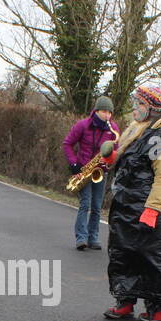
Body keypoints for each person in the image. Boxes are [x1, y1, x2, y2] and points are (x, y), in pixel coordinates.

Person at [102, 84, 161, 321]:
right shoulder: (136, 131)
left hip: (150, 208)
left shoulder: (159, 137)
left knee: (155, 259)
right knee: (123, 254)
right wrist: (112, 158)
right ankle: (125, 301)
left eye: (139, 104)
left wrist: (152, 209)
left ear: (151, 109)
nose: (134, 108)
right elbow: (129, 165)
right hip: (127, 206)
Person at [63, 96, 120, 251]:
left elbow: (115, 150)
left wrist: (109, 162)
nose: (107, 115)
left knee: (96, 206)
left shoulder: (112, 129)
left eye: (109, 112)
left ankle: (93, 237)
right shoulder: (83, 125)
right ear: (96, 111)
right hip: (83, 169)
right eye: (104, 111)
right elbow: (67, 143)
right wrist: (74, 163)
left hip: (100, 171)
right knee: (85, 204)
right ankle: (81, 238)